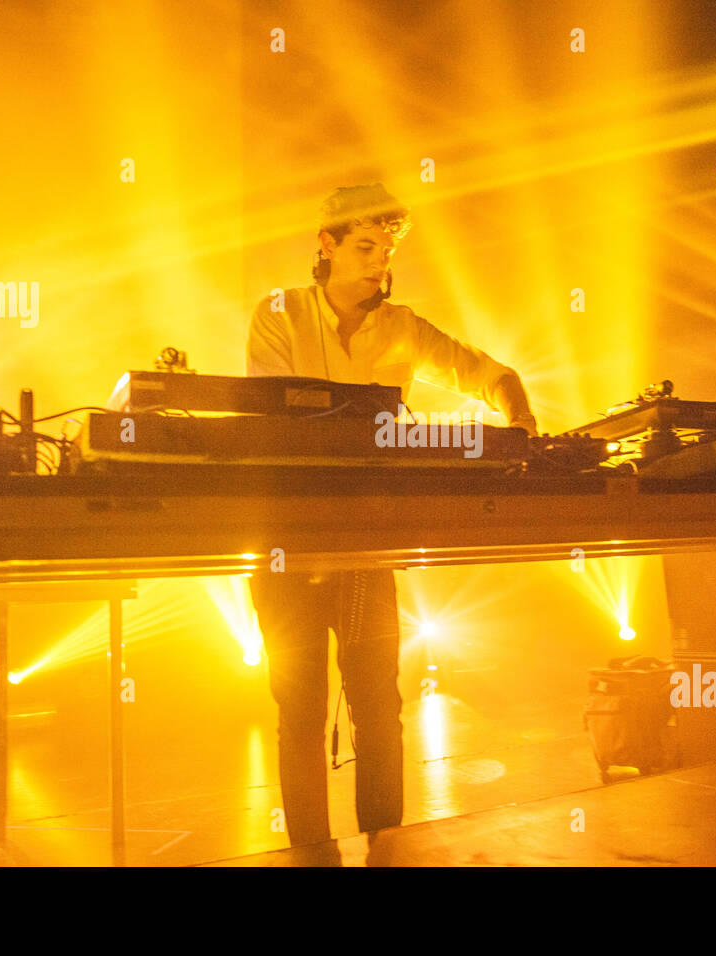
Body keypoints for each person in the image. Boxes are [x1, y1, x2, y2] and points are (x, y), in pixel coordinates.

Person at [245, 183, 538, 848]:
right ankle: (311, 854)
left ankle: (390, 849)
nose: (380, 261)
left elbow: (493, 375)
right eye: (367, 246)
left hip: (366, 543)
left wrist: (520, 422)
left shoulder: (403, 327)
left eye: (389, 249)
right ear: (327, 244)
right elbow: (277, 420)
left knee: (379, 707)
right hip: (289, 541)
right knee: (301, 711)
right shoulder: (280, 313)